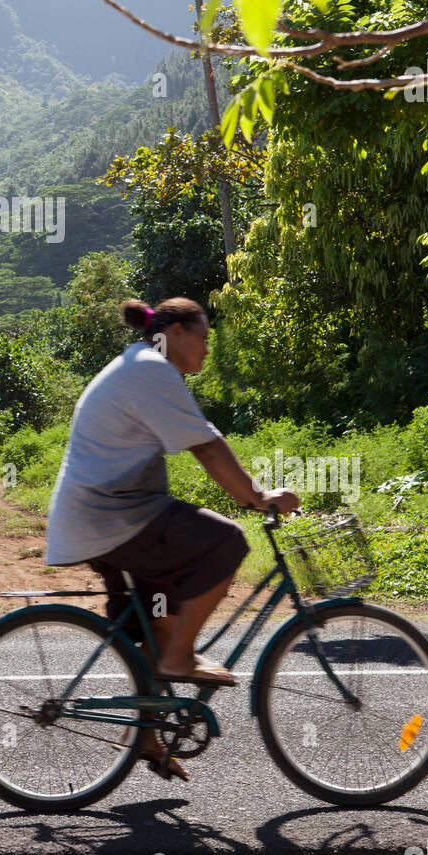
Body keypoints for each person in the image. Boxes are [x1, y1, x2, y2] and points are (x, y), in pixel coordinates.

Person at [45, 295, 300, 778]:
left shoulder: (147, 368)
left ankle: (144, 734)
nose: (207, 347)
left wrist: (250, 492)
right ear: (175, 332)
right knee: (226, 542)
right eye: (203, 336)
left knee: (162, 623)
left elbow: (202, 437)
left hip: (110, 516)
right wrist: (258, 495)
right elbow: (206, 448)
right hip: (112, 517)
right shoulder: (150, 369)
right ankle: (182, 657)